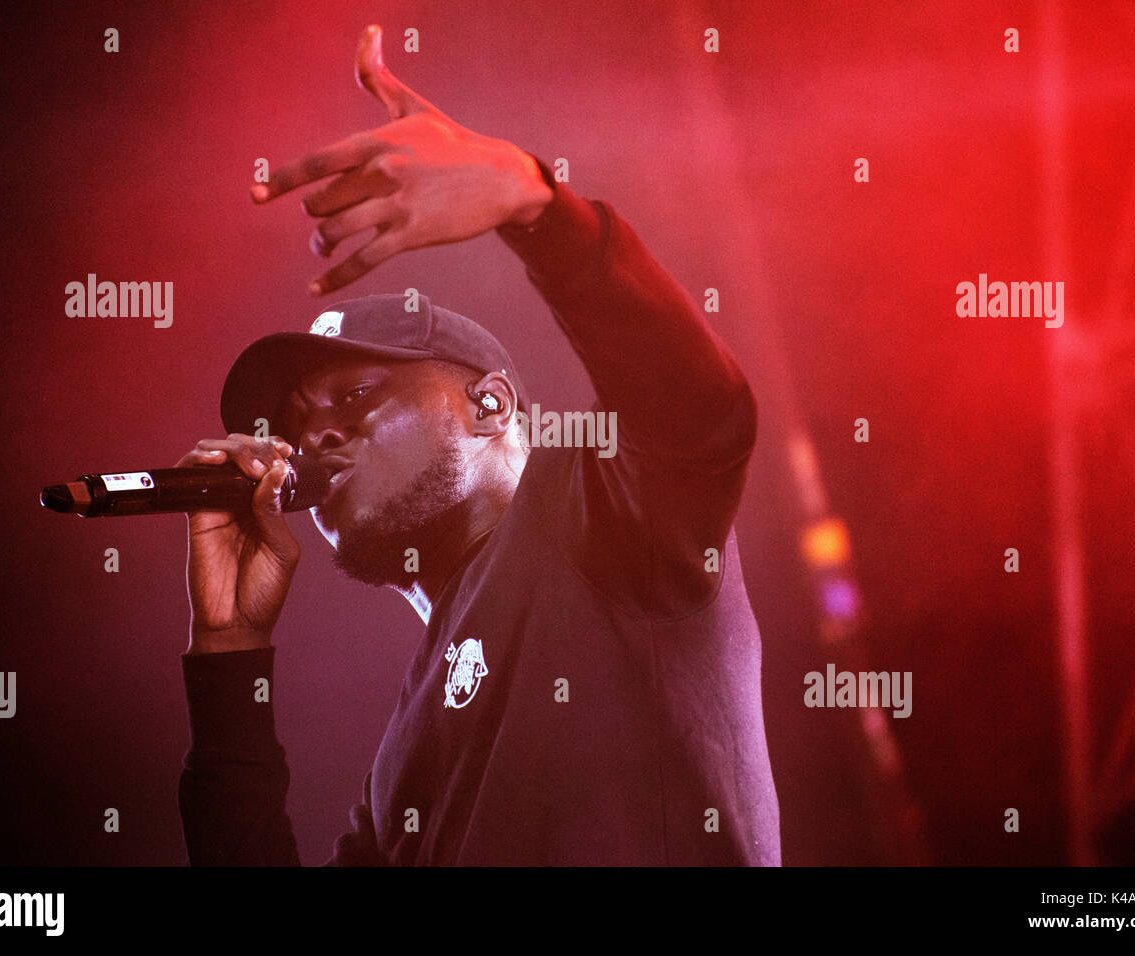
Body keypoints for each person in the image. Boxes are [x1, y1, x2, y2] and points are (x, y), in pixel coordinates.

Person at [174, 24, 781, 865]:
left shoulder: (600, 517)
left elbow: (700, 410)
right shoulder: (395, 771)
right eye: (299, 426)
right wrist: (231, 651)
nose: (317, 436)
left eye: (353, 396)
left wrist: (535, 208)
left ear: (492, 403)